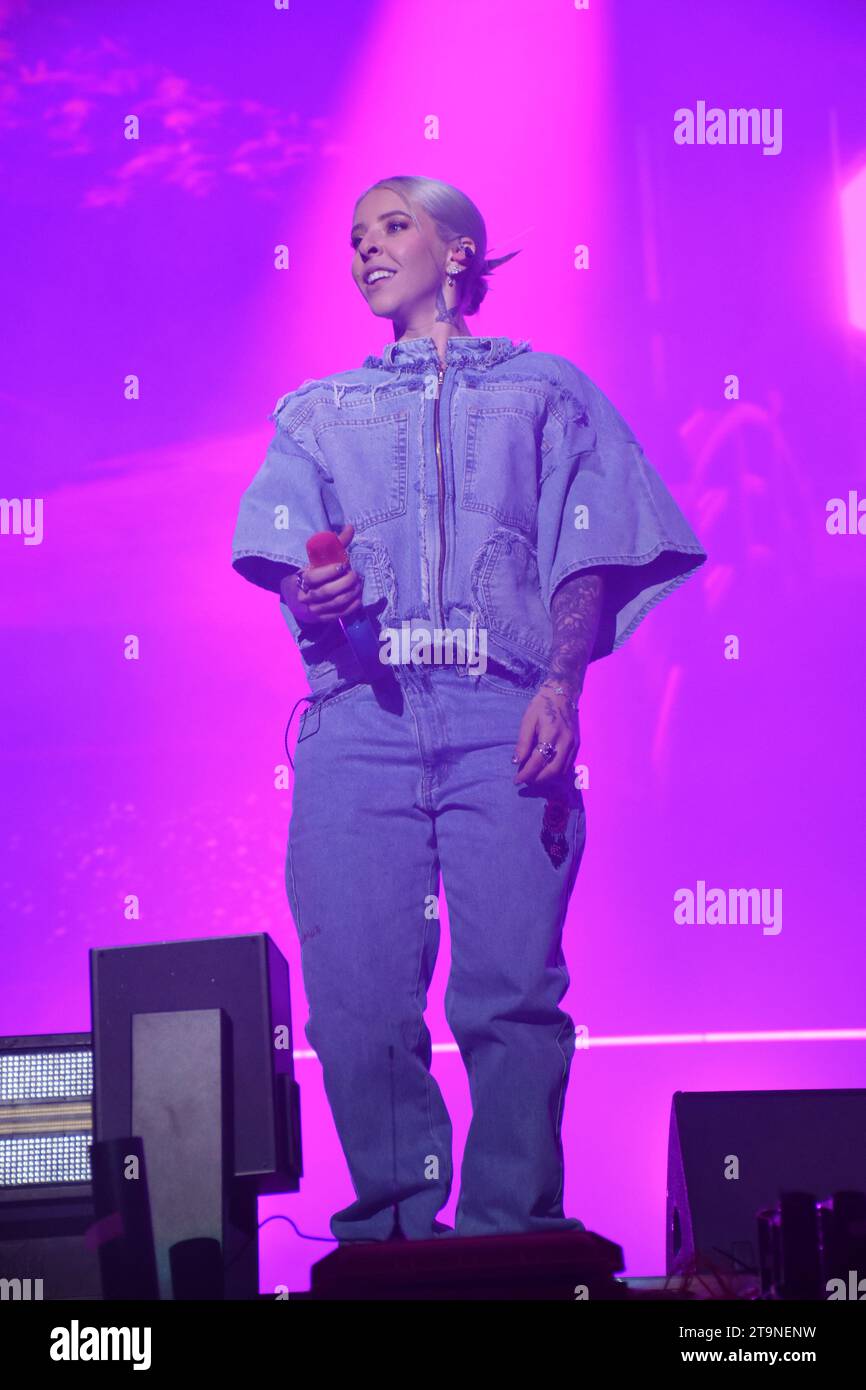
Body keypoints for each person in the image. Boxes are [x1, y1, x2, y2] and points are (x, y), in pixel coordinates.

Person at [231, 175, 707, 1243]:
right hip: (360, 716)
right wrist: (321, 590)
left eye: (390, 227)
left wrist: (560, 683)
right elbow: (284, 554)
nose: (364, 250)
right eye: (353, 237)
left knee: (509, 995)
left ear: (458, 253)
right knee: (356, 1003)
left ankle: (510, 1233)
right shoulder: (318, 411)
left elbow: (585, 543)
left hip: (504, 716)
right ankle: (395, 1238)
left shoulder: (547, 391)